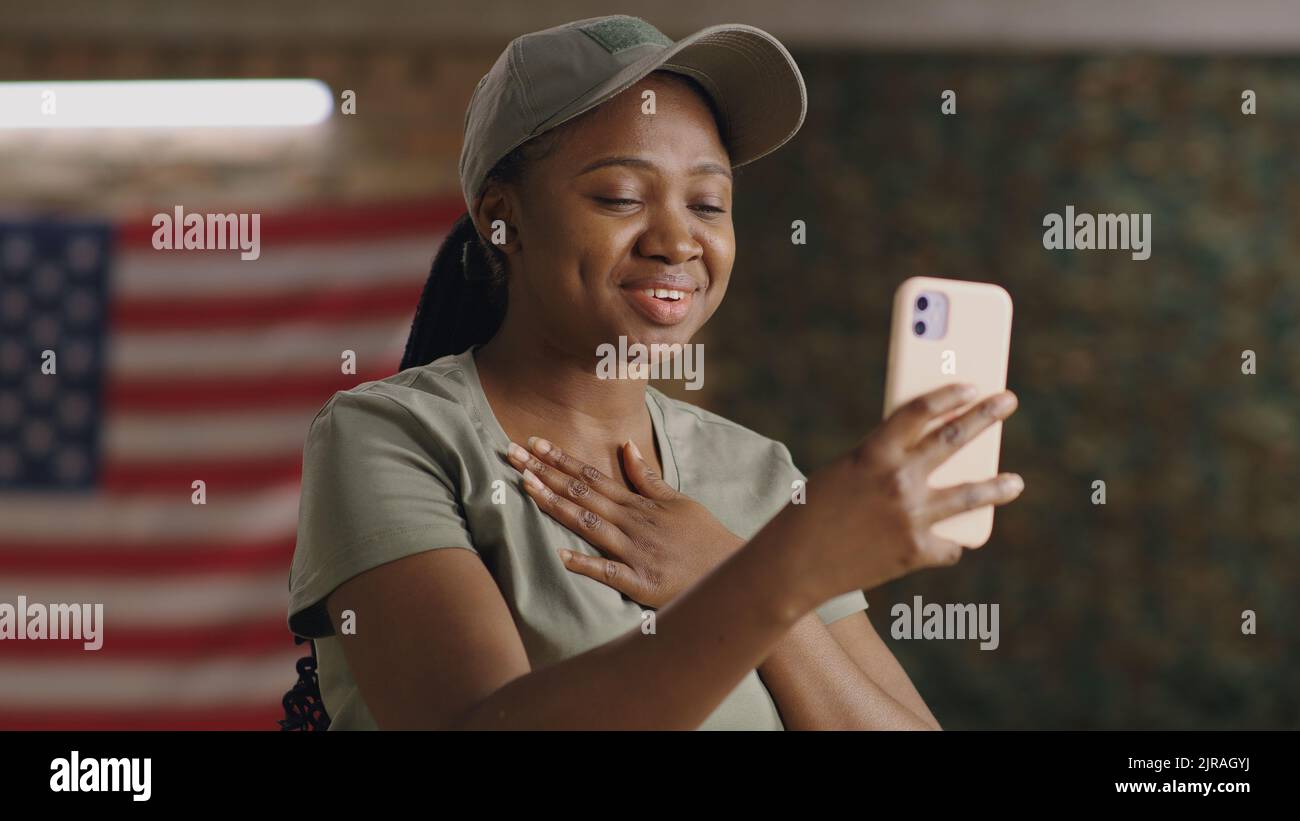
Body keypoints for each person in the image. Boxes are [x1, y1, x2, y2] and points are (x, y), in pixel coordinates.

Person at [282, 14, 1024, 730]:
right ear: (502, 217)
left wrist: (733, 570)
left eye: (709, 202)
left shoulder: (758, 472)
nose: (678, 239)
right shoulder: (391, 437)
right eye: (621, 198)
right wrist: (777, 575)